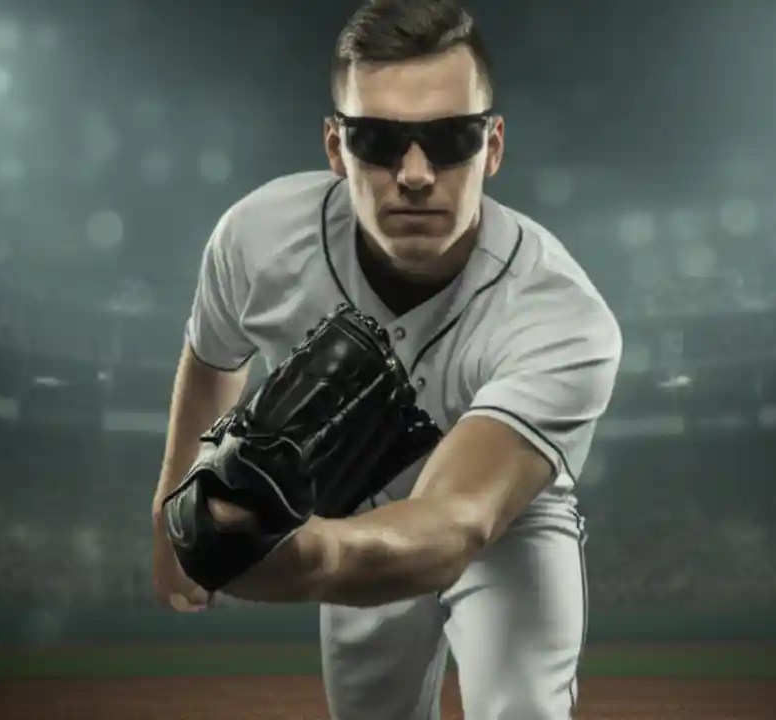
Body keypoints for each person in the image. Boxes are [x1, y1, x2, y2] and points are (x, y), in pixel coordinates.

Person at [150, 1, 621, 717]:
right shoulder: (259, 238)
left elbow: (458, 522)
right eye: (378, 139)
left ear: (492, 146)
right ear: (336, 147)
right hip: (352, 510)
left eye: (452, 137)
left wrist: (298, 557)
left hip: (506, 524)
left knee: (521, 706)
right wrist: (169, 508)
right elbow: (213, 358)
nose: (415, 173)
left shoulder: (560, 314)